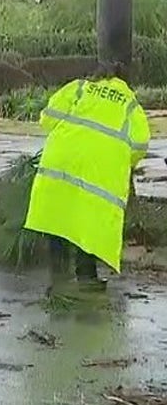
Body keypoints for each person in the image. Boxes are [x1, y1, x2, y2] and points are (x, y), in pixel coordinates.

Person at [24, 63, 150, 287]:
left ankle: (59, 277)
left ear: (99, 75)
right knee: (88, 224)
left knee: (58, 218)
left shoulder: (79, 88)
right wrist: (123, 159)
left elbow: (48, 118)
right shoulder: (130, 104)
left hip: (62, 161)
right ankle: (87, 278)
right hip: (99, 169)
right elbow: (140, 145)